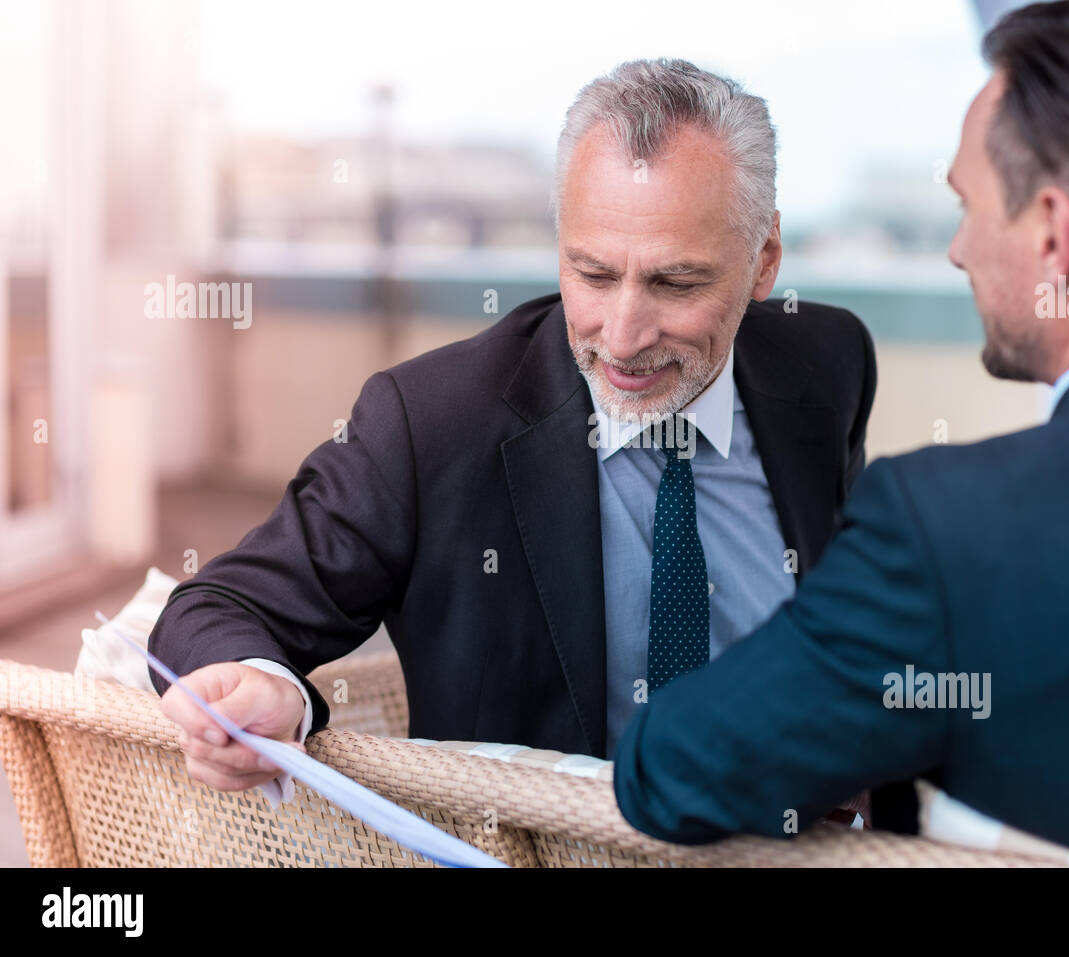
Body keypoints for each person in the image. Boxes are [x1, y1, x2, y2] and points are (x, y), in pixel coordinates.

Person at [613, 0, 1069, 866]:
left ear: (1054, 233)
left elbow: (669, 772)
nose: (959, 250)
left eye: (971, 206)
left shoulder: (948, 531)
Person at [150, 58, 877, 801]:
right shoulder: (429, 422)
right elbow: (216, 609)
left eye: (676, 282)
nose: (622, 338)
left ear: (764, 262)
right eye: (593, 275)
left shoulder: (828, 362)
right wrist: (266, 693)